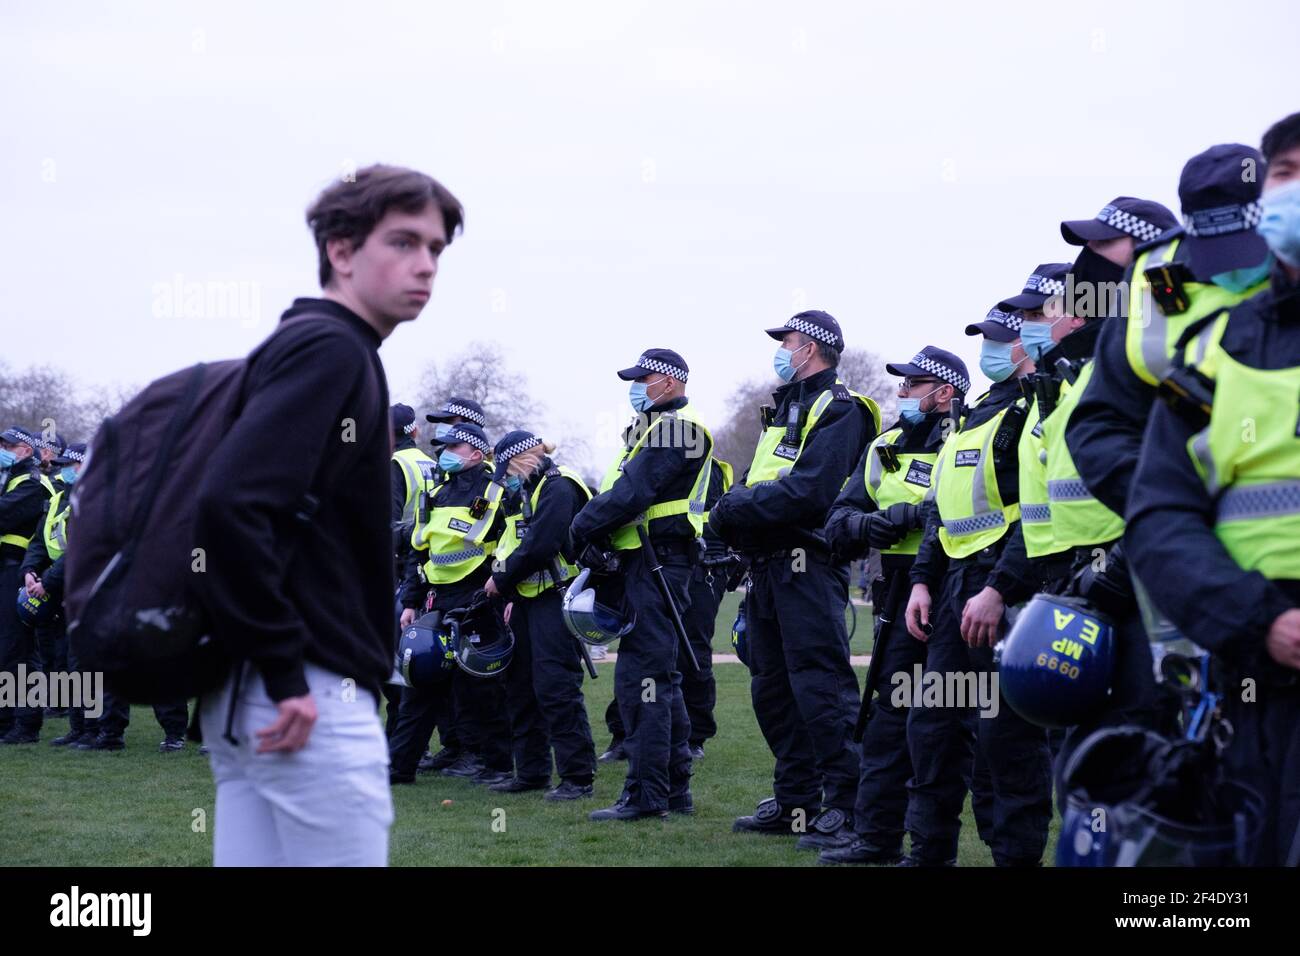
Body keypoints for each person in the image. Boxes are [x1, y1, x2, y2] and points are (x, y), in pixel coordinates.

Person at [191, 163, 464, 866]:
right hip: (304, 691)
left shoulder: (312, 344)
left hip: (258, 687)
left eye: (436, 248)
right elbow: (232, 504)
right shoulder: (332, 349)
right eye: (404, 242)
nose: (426, 265)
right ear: (341, 251)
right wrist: (286, 675)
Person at [1125, 112, 1300, 865]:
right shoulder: (1214, 358)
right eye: (1289, 172)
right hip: (1257, 672)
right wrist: (1260, 619)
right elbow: (1160, 508)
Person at [708, 311, 879, 848]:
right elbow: (772, 483)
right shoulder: (786, 410)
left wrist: (733, 506)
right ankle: (796, 801)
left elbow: (810, 490)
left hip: (808, 566)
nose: (780, 350)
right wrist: (740, 526)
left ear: (811, 348)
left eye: (786, 342)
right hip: (767, 568)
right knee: (773, 690)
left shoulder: (841, 408)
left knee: (821, 687)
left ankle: (847, 806)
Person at [902, 298, 1050, 867]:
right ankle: (928, 853)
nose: (986, 347)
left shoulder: (1031, 409)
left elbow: (1036, 509)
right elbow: (942, 507)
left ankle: (1013, 858)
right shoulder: (973, 416)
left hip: (1006, 590)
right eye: (982, 337)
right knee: (933, 730)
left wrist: (1000, 589)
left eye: (997, 338)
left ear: (1022, 346)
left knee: (1005, 740)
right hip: (954, 590)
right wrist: (921, 582)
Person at [821, 345, 969, 864]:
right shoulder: (883, 445)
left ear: (944, 392)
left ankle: (932, 847)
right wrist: (873, 524)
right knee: (888, 719)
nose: (901, 393)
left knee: (944, 725)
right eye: (902, 384)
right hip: (896, 594)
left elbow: (960, 507)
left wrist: (913, 514)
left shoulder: (965, 439)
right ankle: (876, 838)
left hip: (953, 588)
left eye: (912, 385)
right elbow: (837, 519)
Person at [570, 348, 714, 821]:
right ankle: (672, 791)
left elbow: (630, 495)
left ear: (670, 383)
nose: (636, 387)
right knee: (661, 680)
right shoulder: (650, 431)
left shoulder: (676, 429)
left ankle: (646, 795)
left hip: (659, 565)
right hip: (650, 563)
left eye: (643, 378)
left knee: (643, 682)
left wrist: (579, 529)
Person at [392, 421, 512, 787]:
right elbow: (418, 551)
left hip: (480, 599)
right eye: (441, 446)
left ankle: (495, 764)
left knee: (480, 688)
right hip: (435, 601)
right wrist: (411, 602)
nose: (443, 453)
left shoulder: (498, 492)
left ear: (476, 453)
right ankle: (399, 768)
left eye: (452, 447)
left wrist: (503, 596)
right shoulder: (436, 493)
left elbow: (511, 548)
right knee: (420, 682)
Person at [599, 454, 732, 761]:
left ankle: (694, 735)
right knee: (640, 651)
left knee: (691, 649)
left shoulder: (698, 461)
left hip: (699, 565)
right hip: (647, 561)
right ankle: (625, 732)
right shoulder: (632, 458)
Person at [488, 429, 597, 799]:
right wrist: (507, 588)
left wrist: (500, 579)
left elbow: (542, 544)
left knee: (556, 686)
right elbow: (513, 541)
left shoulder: (558, 486)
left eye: (508, 468)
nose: (505, 477)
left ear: (523, 459)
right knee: (519, 687)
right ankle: (532, 772)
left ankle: (578, 777)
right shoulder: (524, 492)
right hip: (525, 598)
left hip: (556, 596)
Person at [417, 395, 490, 775]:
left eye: (452, 438)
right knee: (444, 675)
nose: (444, 445)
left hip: (477, 593)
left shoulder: (491, 488)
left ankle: (479, 753)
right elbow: (424, 545)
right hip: (439, 593)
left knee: (475, 679)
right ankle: (456, 745)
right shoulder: (439, 489)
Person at [19, 443, 94, 746]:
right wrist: (30, 569)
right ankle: (78, 727)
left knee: (86, 662)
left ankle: (97, 730)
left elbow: (80, 549)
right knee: (66, 659)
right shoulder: (59, 500)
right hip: (61, 587)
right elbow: (40, 540)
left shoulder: (93, 500)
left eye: (69, 465)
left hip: (87, 588)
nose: (63, 470)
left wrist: (46, 581)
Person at [0, 426, 54, 744]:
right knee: (7, 650)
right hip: (7, 571)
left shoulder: (32, 483)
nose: (4, 448)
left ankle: (26, 723)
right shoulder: (11, 479)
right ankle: (7, 720)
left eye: (9, 444)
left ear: (26, 450)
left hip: (19, 572)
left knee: (18, 650)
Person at [386, 403, 435, 738]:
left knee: (394, 664)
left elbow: (385, 526)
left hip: (401, 570)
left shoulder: (393, 465)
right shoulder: (431, 463)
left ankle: (399, 739)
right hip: (430, 568)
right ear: (415, 431)